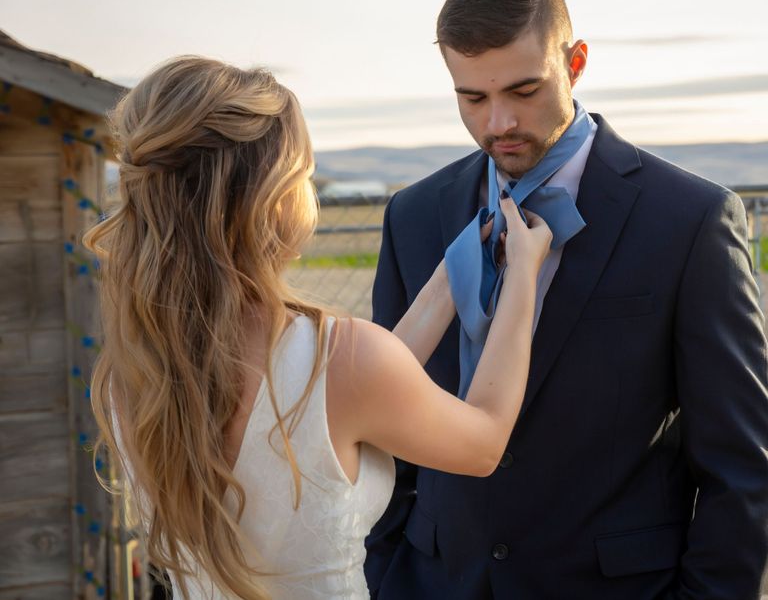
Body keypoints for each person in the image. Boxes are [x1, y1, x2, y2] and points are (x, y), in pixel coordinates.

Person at [365, 0, 768, 599]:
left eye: (523, 90)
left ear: (576, 62)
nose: (497, 122)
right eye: (472, 97)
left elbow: (741, 466)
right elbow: (383, 428)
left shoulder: (690, 220)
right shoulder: (413, 216)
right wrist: (389, 577)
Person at [83, 56, 552, 600]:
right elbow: (484, 441)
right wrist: (522, 274)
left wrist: (454, 271)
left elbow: (344, 397)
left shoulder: (134, 370)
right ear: (270, 197)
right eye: (305, 174)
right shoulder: (343, 360)